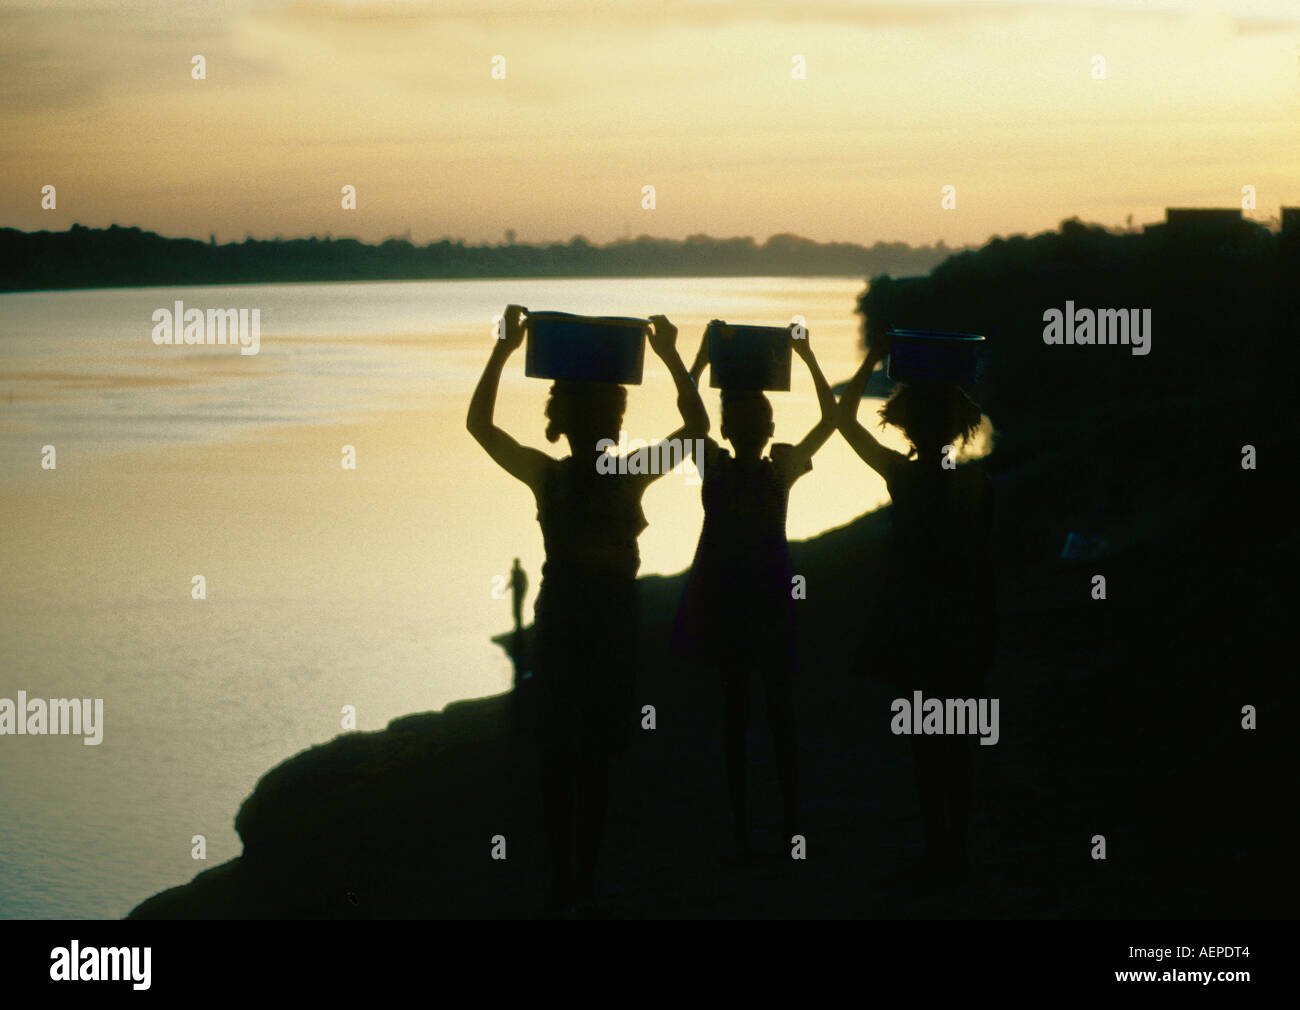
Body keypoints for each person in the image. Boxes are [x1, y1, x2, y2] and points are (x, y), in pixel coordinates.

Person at [467, 305, 707, 915]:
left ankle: (568, 876)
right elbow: (698, 429)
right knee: (590, 756)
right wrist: (671, 355)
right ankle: (582, 876)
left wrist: (504, 348)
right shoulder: (628, 476)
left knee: (563, 753)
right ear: (613, 424)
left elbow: (480, 426)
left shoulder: (549, 475)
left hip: (570, 622)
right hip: (602, 624)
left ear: (561, 424)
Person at [673, 324, 837, 863]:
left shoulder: (715, 466)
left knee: (741, 717)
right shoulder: (776, 469)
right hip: (762, 600)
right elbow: (830, 420)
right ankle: (782, 818)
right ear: (767, 429)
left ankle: (748, 824)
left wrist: (697, 362)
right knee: (773, 714)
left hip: (738, 600)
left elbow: (688, 418)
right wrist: (808, 357)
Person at [837, 339, 995, 886]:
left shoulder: (903, 477)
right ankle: (957, 853)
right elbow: (991, 565)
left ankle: (938, 853)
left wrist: (871, 360)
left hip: (919, 625)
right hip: (965, 625)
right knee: (960, 747)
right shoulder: (978, 482)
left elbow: (842, 421)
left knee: (929, 746)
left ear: (906, 427)